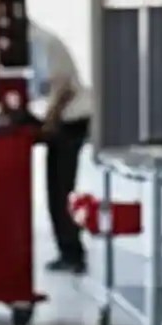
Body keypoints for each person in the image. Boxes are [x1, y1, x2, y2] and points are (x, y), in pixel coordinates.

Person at [29, 20, 93, 274]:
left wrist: (48, 122)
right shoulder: (33, 44)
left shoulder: (44, 43)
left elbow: (63, 88)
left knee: (61, 189)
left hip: (71, 120)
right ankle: (67, 250)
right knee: (56, 189)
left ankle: (73, 253)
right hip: (60, 120)